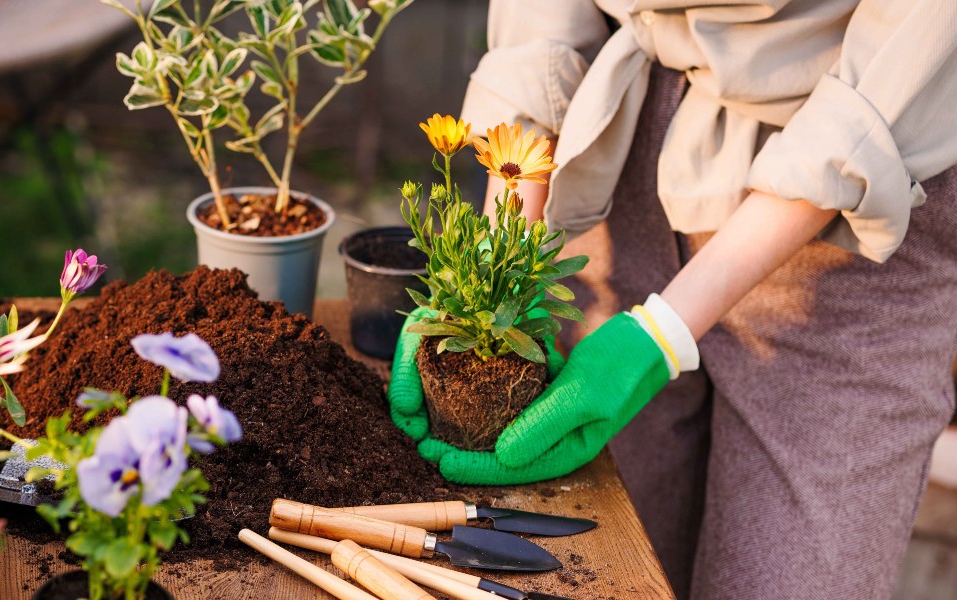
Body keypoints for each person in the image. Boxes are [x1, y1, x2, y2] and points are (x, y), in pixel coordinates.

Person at [389, 1, 957, 598]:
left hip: (848, 226)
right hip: (616, 159)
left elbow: (911, 49)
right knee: (607, 570)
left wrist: (658, 336)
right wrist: (493, 268)